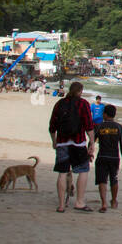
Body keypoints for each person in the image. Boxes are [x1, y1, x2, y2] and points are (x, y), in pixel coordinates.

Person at [49, 81, 95, 212]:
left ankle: (61, 205)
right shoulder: (83, 104)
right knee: (83, 171)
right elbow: (89, 126)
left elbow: (52, 126)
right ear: (80, 91)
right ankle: (79, 202)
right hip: (78, 143)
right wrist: (91, 143)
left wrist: (54, 141)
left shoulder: (60, 104)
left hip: (62, 142)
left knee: (62, 173)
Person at [93, 104, 122, 212]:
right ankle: (113, 201)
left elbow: (92, 141)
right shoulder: (119, 127)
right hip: (114, 157)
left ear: (105, 114)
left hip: (102, 156)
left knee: (102, 180)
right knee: (114, 179)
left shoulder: (99, 126)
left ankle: (103, 203)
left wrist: (89, 153)